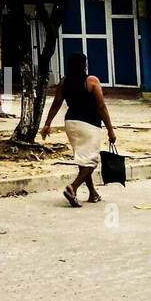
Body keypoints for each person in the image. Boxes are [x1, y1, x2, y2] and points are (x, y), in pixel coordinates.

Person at [41, 51, 117, 207]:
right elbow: (101, 107)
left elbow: (56, 103)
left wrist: (47, 123)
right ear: (84, 65)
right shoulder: (91, 81)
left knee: (83, 159)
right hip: (89, 125)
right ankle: (72, 187)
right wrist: (110, 129)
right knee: (91, 161)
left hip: (70, 123)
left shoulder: (64, 82)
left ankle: (93, 193)